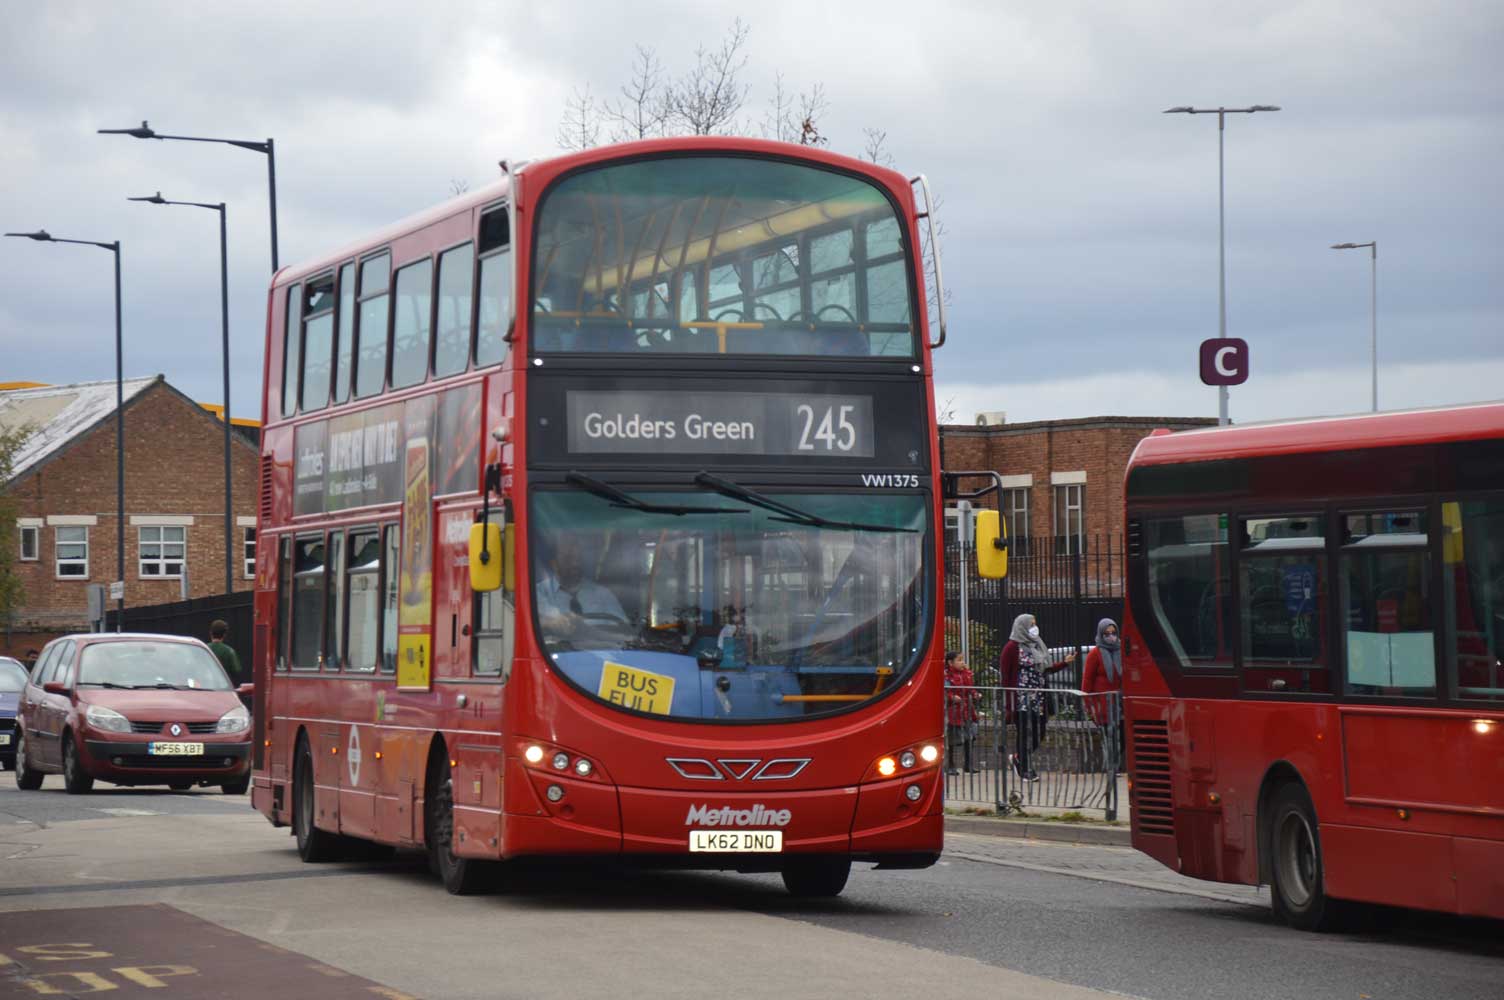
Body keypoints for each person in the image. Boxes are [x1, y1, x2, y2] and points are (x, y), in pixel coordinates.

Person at [999, 613, 1075, 782]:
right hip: (1021, 700)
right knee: (1024, 733)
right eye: (1031, 624)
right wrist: (1010, 703)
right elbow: (1005, 677)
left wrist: (1064, 663)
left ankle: (1019, 758)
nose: (1034, 627)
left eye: (1035, 624)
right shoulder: (1011, 648)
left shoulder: (1037, 645)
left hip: (1039, 698)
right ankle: (1026, 769)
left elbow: (1044, 670)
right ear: (1022, 626)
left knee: (1039, 732)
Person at [536, 534, 627, 631]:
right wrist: (551, 624)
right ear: (554, 564)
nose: (575, 564)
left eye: (578, 558)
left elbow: (624, 632)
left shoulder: (603, 594)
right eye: (569, 558)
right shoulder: (538, 594)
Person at [1082, 617, 1125, 770]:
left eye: (1113, 632)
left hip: (1119, 704)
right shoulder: (1095, 654)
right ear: (1101, 634)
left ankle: (1114, 765)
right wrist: (1089, 707)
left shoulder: (1121, 651)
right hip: (1102, 706)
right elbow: (1086, 683)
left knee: (1122, 735)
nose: (1111, 636)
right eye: (1106, 633)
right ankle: (1112, 768)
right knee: (1110, 737)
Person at [944, 650, 980, 774]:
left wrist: (975, 694)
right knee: (953, 739)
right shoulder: (947, 676)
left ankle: (968, 764)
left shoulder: (966, 674)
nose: (962, 662)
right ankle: (950, 765)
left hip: (967, 709)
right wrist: (951, 697)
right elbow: (946, 690)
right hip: (953, 711)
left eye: (962, 659)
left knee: (970, 737)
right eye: (959, 660)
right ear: (950, 662)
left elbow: (970, 688)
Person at [207, 620, 243, 685]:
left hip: (206, 687)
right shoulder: (229, 651)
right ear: (224, 634)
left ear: (210, 632)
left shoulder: (204, 649)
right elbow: (237, 670)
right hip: (224, 688)